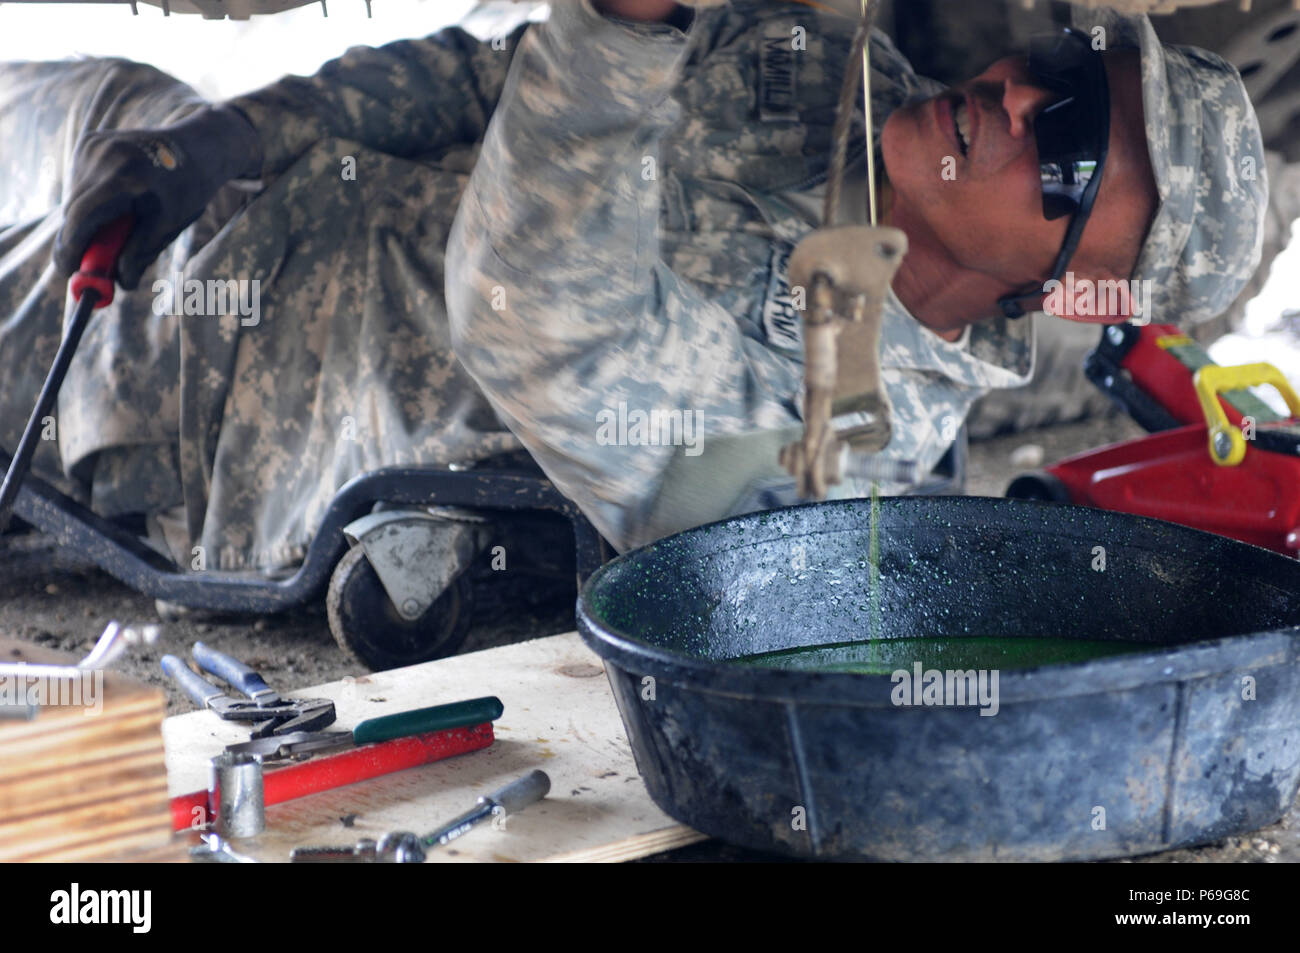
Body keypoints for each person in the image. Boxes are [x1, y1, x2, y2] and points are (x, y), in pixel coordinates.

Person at [0, 0, 1266, 572]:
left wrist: (627, 20)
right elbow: (481, 77)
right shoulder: (826, 63)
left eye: (1069, 151)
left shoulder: (826, 453)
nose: (1015, 96)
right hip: (197, 173)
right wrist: (228, 137)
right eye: (1059, 68)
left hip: (167, 379)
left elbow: (537, 314)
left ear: (1079, 291)